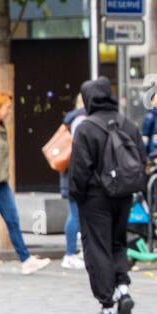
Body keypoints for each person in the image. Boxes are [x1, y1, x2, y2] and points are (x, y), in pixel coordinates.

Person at [67, 79, 146, 314]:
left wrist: (77, 196)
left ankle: (107, 306)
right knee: (117, 243)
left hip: (94, 198)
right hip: (123, 195)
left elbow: (79, 170)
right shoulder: (128, 125)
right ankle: (123, 288)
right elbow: (141, 159)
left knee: (97, 249)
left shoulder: (86, 128)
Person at [0, 91, 52, 275]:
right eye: (7, 108)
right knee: (12, 218)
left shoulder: (0, 127)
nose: (9, 112)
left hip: (0, 182)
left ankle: (26, 260)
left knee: (12, 218)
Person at [60, 94, 87, 270]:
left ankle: (73, 252)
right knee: (76, 215)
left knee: (77, 214)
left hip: (70, 174)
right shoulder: (81, 119)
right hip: (75, 175)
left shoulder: (72, 119)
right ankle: (69, 254)